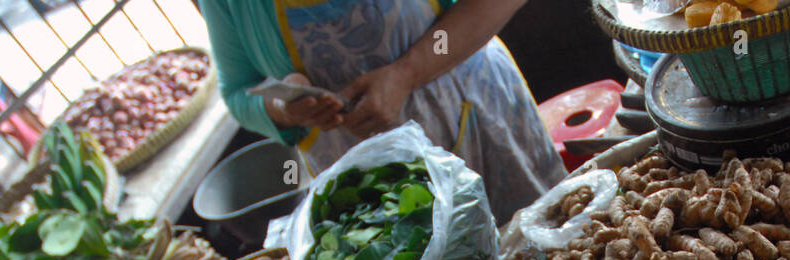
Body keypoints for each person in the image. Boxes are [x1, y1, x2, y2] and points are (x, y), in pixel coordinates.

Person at [200, 0, 567, 224]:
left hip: (477, 119)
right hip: (368, 186)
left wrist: (407, 73)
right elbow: (237, 92)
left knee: (550, 259)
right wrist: (285, 107)